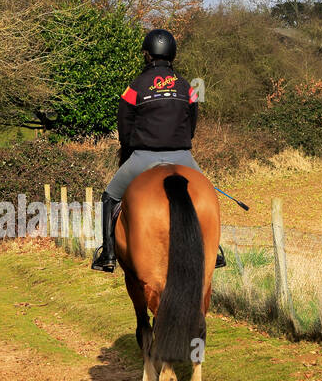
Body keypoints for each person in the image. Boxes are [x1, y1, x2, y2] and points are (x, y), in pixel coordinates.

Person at [91, 28, 227, 273]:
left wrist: (131, 146)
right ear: (172, 54)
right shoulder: (188, 88)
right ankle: (213, 250)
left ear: (147, 54)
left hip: (144, 157)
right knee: (206, 193)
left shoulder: (134, 88)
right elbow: (192, 123)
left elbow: (124, 126)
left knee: (109, 197)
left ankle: (108, 255)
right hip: (183, 157)